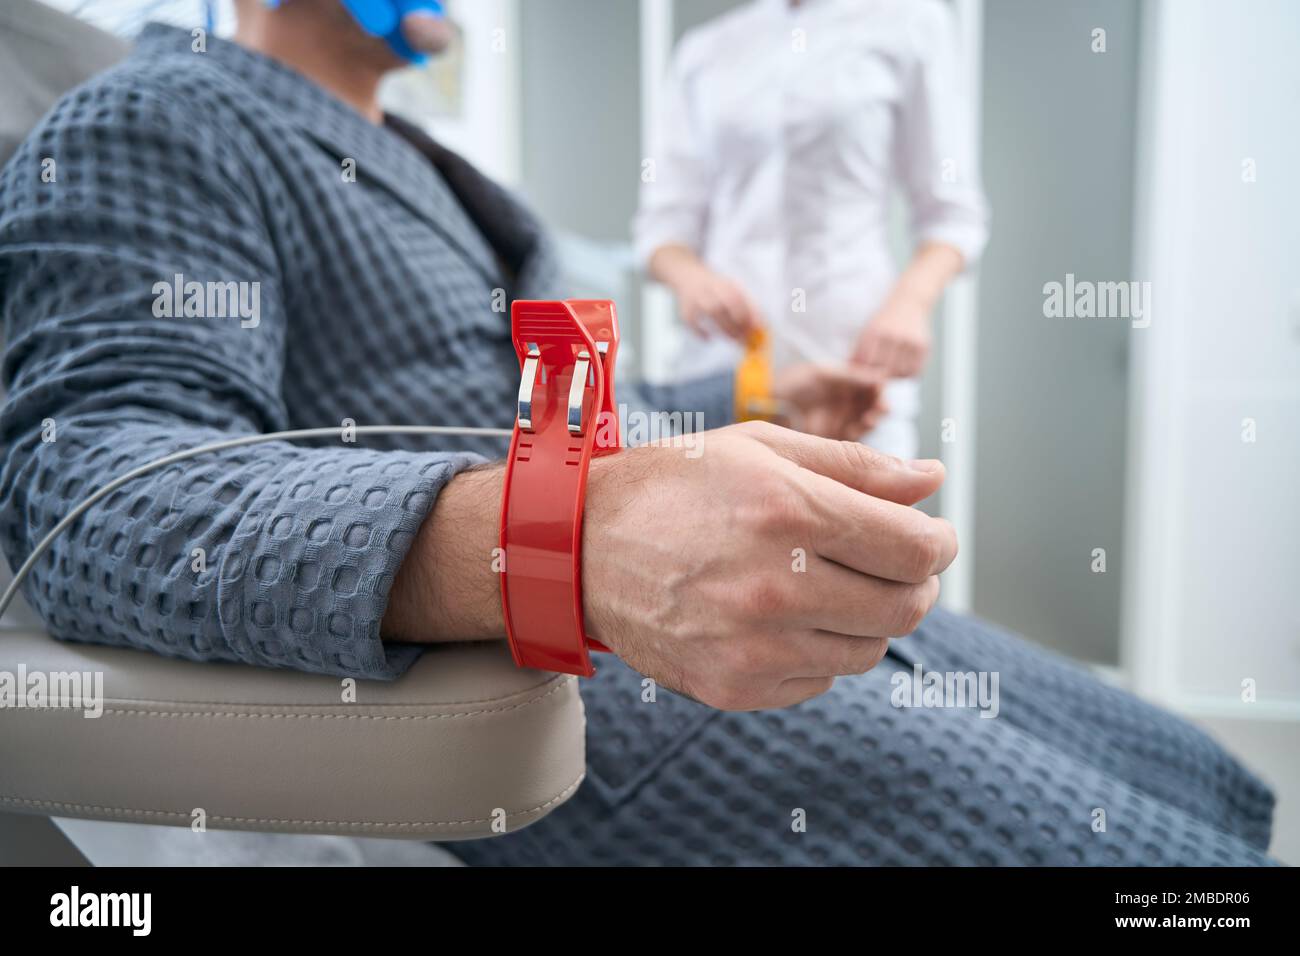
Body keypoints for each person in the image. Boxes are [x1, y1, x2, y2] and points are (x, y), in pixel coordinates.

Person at [0, 0, 1273, 865]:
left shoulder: (442, 171)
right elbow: (100, 490)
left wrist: (761, 415)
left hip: (741, 624)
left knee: (1184, 767)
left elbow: (573, 423)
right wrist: (564, 543)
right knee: (1140, 855)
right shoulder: (155, 120)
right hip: (598, 699)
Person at [636, 0, 989, 459]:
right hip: (724, 378)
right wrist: (692, 280)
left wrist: (911, 304)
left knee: (863, 524)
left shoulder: (912, 23)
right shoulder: (704, 51)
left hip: (854, 375)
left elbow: (952, 213)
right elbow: (662, 226)